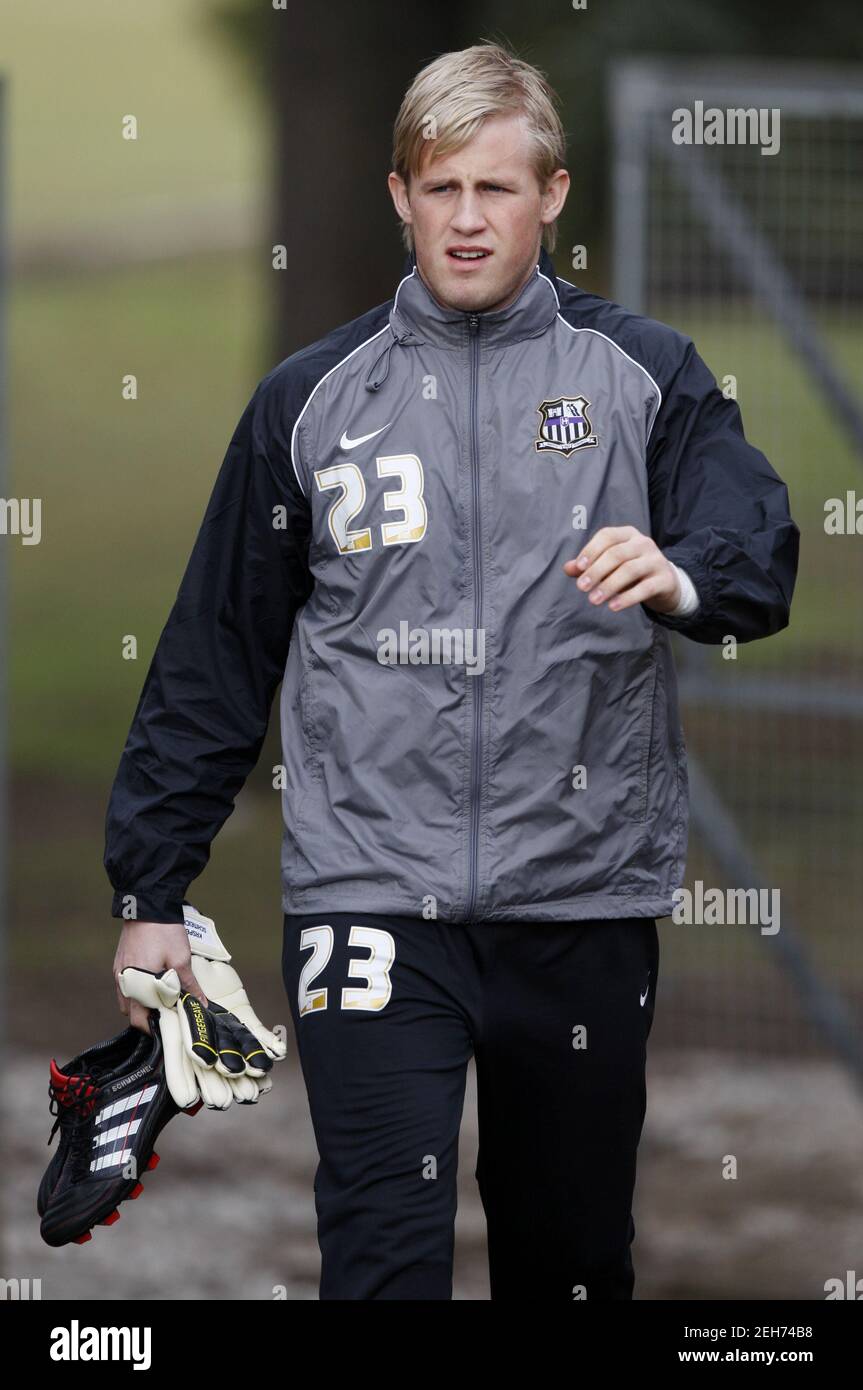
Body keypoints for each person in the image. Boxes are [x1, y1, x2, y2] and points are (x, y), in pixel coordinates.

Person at [106, 40, 799, 1300]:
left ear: (552, 195)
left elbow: (755, 549)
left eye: (495, 188)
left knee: (572, 1262)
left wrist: (679, 570)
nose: (467, 220)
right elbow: (216, 653)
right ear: (397, 197)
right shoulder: (306, 404)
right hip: (371, 900)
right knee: (378, 1258)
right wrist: (150, 884)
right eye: (440, 189)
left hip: (578, 903)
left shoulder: (645, 378)